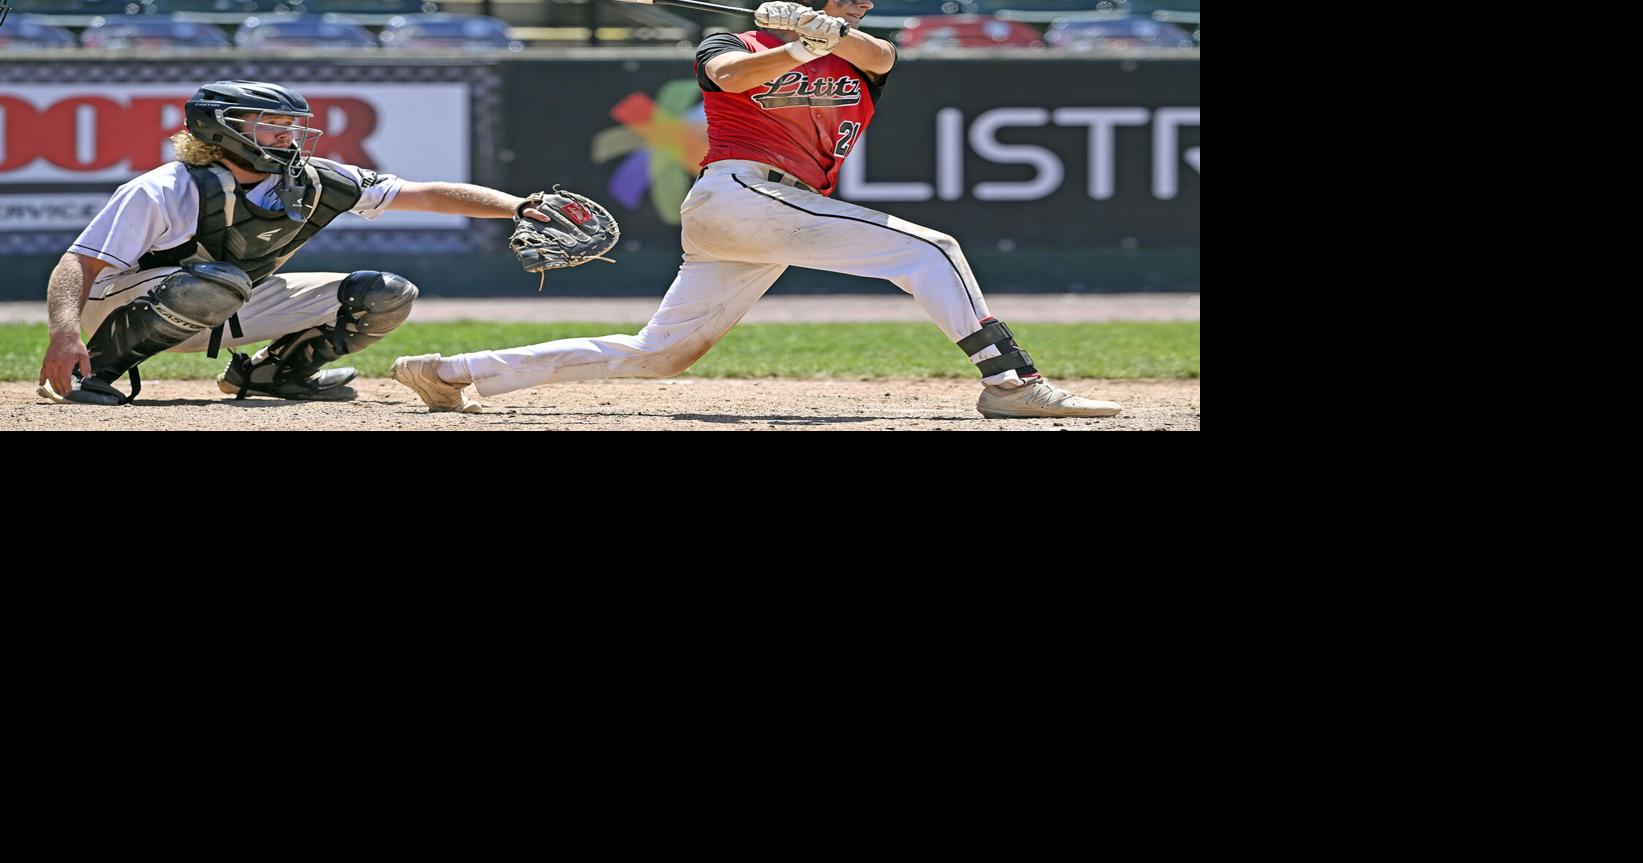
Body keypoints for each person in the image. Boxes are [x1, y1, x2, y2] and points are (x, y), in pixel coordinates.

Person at [391, 0, 1121, 419]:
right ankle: (1012, 383)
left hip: (776, 210)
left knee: (658, 355)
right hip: (738, 191)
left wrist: (822, 30)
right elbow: (731, 76)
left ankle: (451, 370)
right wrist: (801, 39)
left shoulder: (863, 51)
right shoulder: (732, 39)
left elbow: (875, 56)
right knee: (930, 249)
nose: (860, 4)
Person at [37, 79, 552, 406]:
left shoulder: (319, 179)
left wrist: (521, 207)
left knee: (386, 293)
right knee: (220, 280)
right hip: (115, 307)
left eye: (291, 126)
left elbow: (429, 195)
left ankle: (269, 376)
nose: (288, 136)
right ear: (220, 130)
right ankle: (95, 372)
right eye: (271, 125)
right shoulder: (164, 187)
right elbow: (75, 265)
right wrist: (64, 335)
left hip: (225, 297)